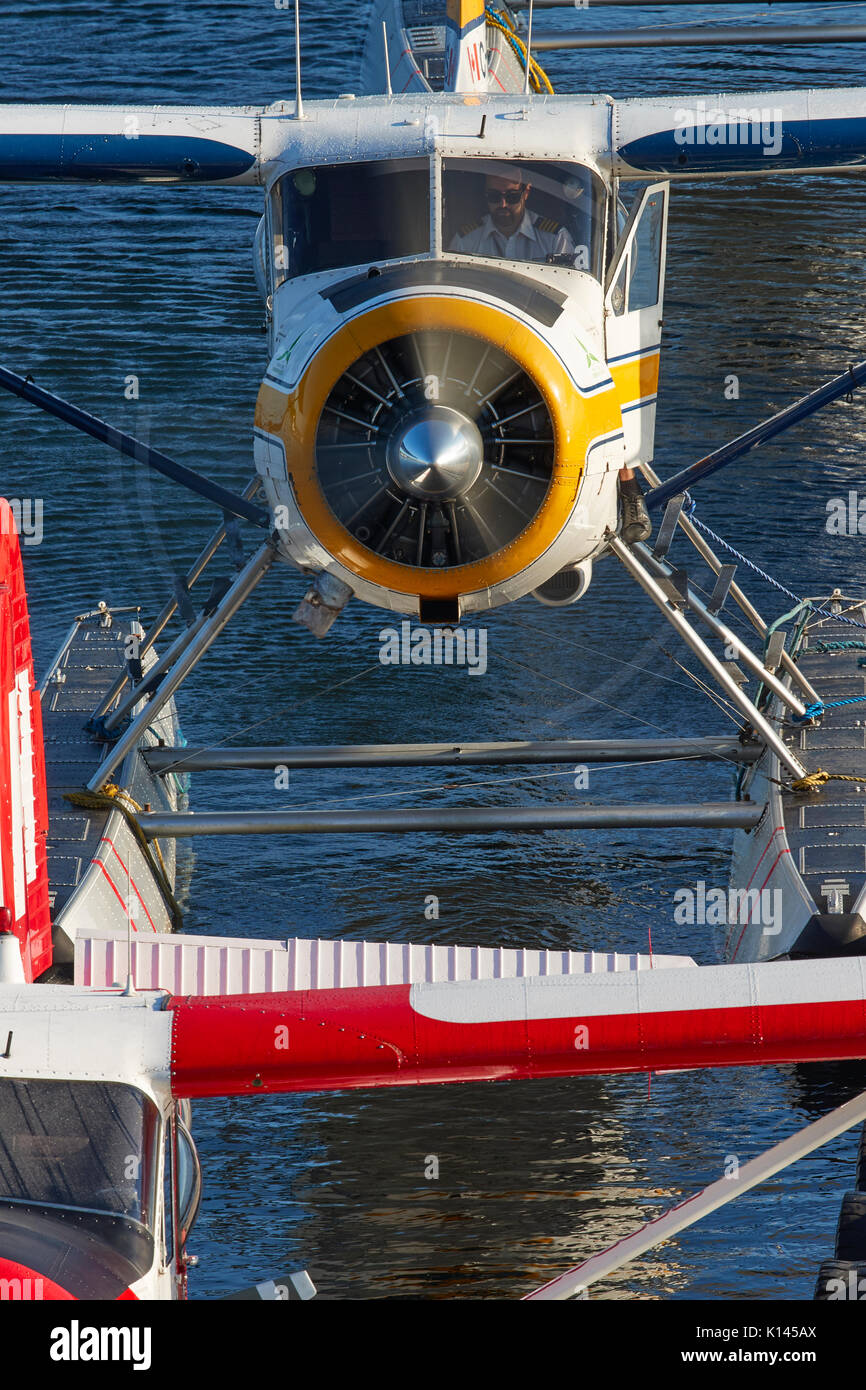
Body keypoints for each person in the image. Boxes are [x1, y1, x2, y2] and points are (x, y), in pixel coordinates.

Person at [449, 172, 577, 264]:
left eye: (512, 197)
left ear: (526, 193)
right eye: (494, 196)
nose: (503, 204)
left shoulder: (555, 239)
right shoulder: (465, 241)